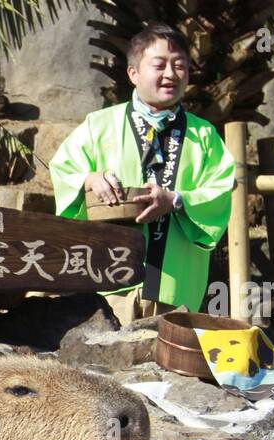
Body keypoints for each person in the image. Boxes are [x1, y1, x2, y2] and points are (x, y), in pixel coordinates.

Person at [50, 24, 236, 320]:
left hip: (176, 285)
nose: (171, 74)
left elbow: (220, 190)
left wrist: (175, 200)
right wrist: (89, 178)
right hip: (110, 281)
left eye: (180, 66)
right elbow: (64, 169)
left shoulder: (204, 135)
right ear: (133, 73)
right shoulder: (98, 125)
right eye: (159, 65)